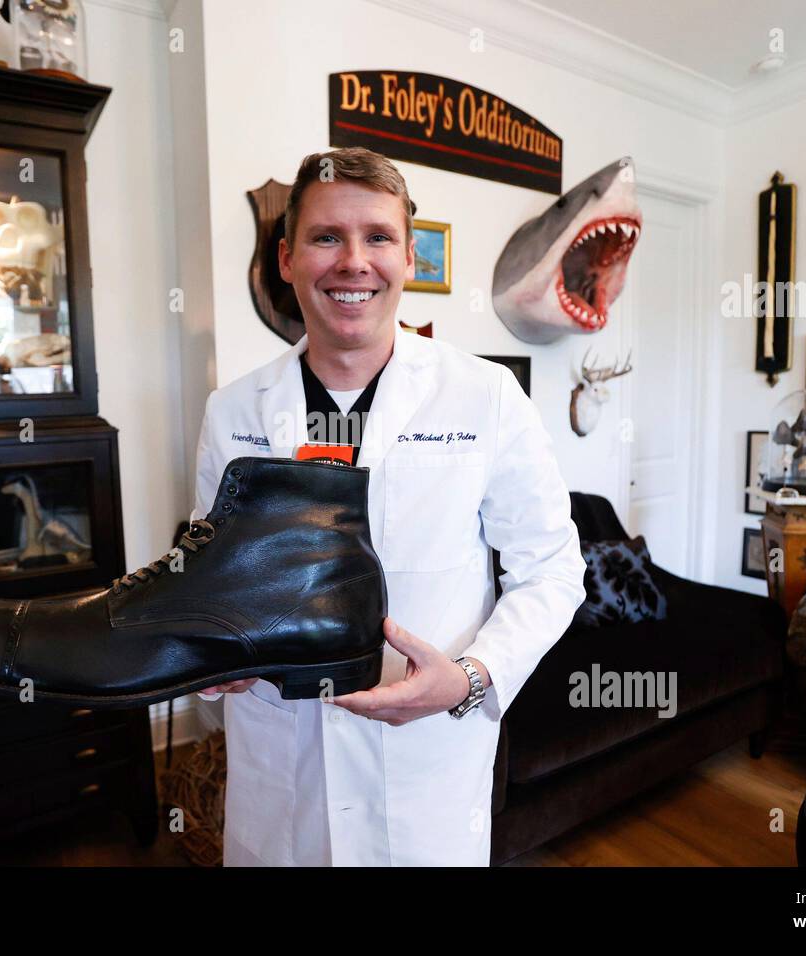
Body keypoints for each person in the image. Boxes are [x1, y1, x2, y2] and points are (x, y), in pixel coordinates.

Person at [192, 147, 587, 866]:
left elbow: (553, 571)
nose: (353, 262)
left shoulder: (487, 396)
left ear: (409, 256)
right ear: (286, 258)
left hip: (425, 768)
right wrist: (213, 653)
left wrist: (471, 676)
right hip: (280, 756)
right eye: (325, 237)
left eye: (377, 237)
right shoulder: (231, 411)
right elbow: (211, 574)